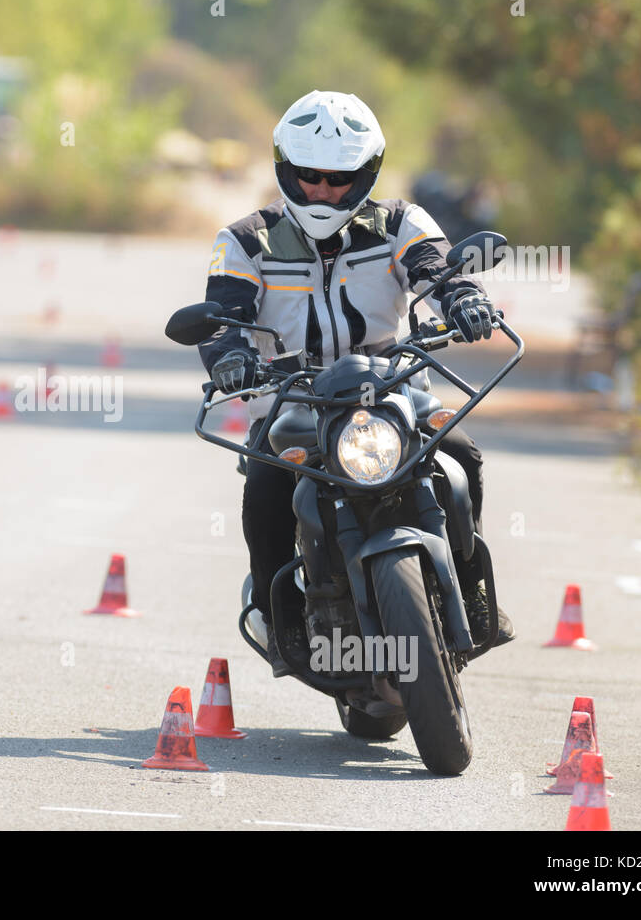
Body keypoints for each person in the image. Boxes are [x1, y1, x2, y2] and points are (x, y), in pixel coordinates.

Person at [198, 90, 513, 675]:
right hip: (296, 396)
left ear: (366, 173)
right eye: (309, 176)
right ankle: (281, 614)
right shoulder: (244, 239)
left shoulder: (400, 221)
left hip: (393, 382)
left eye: (340, 178)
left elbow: (435, 269)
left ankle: (471, 587)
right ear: (284, 171)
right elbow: (222, 319)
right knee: (266, 486)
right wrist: (228, 358)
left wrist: (464, 296)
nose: (323, 190)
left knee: (461, 454)